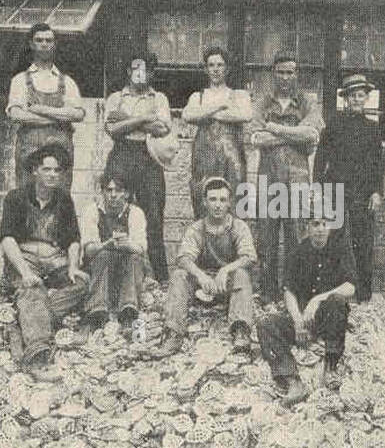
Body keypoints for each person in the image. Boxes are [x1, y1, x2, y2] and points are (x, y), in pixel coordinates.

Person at [0, 143, 88, 369]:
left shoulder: (64, 200)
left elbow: (73, 240)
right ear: (35, 171)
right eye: (47, 169)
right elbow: (7, 238)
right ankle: (38, 353)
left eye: (57, 170)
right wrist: (25, 273)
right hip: (25, 259)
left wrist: (73, 267)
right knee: (31, 290)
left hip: (54, 259)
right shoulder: (16, 198)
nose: (53, 175)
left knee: (84, 283)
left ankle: (31, 318)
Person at [256, 212, 357, 406]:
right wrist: (297, 321)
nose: (320, 229)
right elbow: (289, 291)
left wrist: (318, 299)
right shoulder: (298, 252)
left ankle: (331, 366)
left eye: (324, 224)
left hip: (328, 319)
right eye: (315, 224)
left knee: (337, 301)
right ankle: (293, 381)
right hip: (302, 319)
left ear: (330, 227)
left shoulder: (339, 250)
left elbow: (350, 287)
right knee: (265, 324)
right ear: (307, 228)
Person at [247, 55, 324, 303]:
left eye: (290, 72)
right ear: (273, 73)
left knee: (297, 238)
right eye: (280, 72)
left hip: (299, 180)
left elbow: (312, 134)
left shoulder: (307, 102)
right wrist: (295, 135)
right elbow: (255, 139)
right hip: (268, 179)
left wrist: (276, 129)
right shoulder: (262, 102)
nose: (285, 77)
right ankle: (268, 295)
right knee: (267, 239)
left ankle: (296, 294)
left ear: (296, 74)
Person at [158, 177, 257, 355]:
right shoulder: (197, 228)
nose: (217, 205)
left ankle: (240, 330)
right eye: (212, 199)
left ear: (229, 203)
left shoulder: (238, 226)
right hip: (202, 288)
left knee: (242, 274)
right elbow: (183, 258)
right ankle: (173, 332)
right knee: (179, 275)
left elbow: (249, 257)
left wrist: (226, 270)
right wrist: (200, 276)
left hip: (227, 287)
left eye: (222, 200)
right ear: (204, 202)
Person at [314, 73, 383, 303]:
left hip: (362, 194)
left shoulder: (373, 129)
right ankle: (334, 295)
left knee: (363, 244)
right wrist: (318, 188)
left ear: (366, 98)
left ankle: (363, 296)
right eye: (352, 95)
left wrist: (377, 191)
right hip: (336, 191)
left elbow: (377, 164)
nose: (356, 99)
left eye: (361, 95)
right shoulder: (334, 124)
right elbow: (320, 158)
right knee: (335, 240)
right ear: (346, 98)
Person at [104, 55, 173, 283]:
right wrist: (144, 118)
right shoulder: (115, 97)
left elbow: (162, 129)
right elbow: (113, 130)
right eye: (136, 69)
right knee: (116, 212)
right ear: (128, 71)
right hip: (121, 154)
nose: (141, 74)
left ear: (152, 73)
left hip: (149, 156)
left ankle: (160, 277)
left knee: (153, 216)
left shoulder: (159, 98)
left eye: (146, 70)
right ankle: (113, 274)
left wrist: (127, 120)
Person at [5, 23, 86, 188]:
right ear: (31, 44)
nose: (44, 44)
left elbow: (78, 114)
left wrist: (41, 109)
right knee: (26, 198)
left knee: (60, 200)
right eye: (39, 40)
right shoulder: (19, 80)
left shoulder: (67, 82)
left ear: (54, 44)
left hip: (60, 154)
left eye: (48, 40)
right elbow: (16, 114)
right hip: (29, 152)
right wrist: (59, 117)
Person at [181, 47, 252, 218]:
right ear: (205, 69)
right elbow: (188, 115)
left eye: (220, 65)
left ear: (227, 68)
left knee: (234, 206)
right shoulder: (197, 96)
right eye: (211, 65)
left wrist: (206, 113)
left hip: (232, 160)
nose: (215, 69)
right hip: (204, 159)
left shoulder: (239, 95)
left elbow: (245, 114)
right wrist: (220, 106)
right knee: (203, 204)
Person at [79, 170, 149, 339]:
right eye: (109, 190)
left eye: (118, 190)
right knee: (102, 254)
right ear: (102, 191)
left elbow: (141, 249)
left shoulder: (135, 213)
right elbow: (88, 250)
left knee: (134, 257)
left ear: (126, 193)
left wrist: (128, 245)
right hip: (100, 268)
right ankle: (97, 312)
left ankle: (128, 311)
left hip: (126, 267)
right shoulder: (92, 211)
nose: (113, 195)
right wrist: (106, 244)